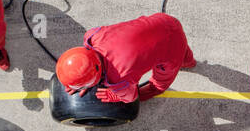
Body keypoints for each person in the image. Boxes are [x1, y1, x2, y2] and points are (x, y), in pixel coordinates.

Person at [55, 12, 195, 103]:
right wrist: (84, 75)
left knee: (158, 85)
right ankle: (189, 62)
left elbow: (130, 97)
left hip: (170, 51)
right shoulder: (93, 36)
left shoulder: (119, 81)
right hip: (165, 21)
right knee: (184, 53)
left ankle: (186, 61)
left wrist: (114, 96)